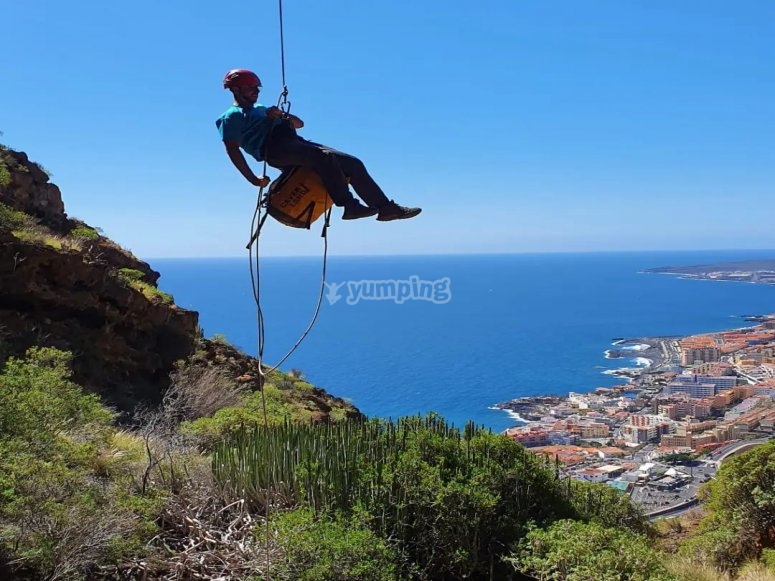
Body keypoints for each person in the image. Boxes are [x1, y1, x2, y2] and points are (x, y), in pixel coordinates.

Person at [215, 68, 422, 221]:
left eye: (257, 88)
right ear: (235, 89)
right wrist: (252, 179)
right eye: (250, 88)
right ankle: (349, 205)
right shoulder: (231, 117)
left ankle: (385, 208)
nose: (256, 91)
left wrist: (281, 115)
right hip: (275, 149)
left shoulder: (261, 108)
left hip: (293, 142)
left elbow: (299, 124)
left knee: (353, 164)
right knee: (324, 157)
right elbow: (232, 149)